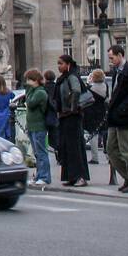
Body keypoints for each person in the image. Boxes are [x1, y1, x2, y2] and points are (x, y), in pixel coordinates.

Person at [104, 45, 128, 193]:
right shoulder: (117, 72)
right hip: (115, 118)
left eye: (112, 58)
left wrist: (121, 111)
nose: (111, 61)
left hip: (124, 118)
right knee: (111, 149)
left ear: (120, 55)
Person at [54, 55, 90, 187]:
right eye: (58, 63)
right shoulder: (63, 78)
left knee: (75, 147)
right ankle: (71, 176)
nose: (59, 66)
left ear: (68, 64)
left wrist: (72, 107)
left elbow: (76, 91)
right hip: (64, 116)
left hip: (72, 116)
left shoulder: (72, 77)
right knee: (66, 147)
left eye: (61, 63)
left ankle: (80, 176)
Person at [22, 70, 51, 186]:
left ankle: (44, 176)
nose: (27, 82)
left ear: (35, 80)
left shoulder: (40, 92)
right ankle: (39, 175)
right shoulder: (34, 91)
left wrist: (28, 89)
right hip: (32, 126)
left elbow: (30, 103)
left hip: (39, 126)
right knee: (37, 154)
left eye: (29, 79)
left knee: (41, 153)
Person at [84, 69, 108, 167]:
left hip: (92, 113)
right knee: (106, 134)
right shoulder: (105, 86)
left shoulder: (91, 88)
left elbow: (86, 100)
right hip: (103, 112)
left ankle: (95, 157)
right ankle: (109, 157)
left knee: (93, 135)